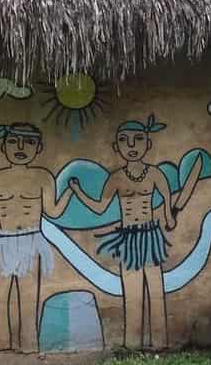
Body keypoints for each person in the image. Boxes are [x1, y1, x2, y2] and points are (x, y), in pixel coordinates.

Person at [67, 114, 199, 349]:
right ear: (116, 146)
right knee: (133, 293)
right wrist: (78, 191)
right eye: (125, 140)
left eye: (138, 139)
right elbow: (100, 208)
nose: (131, 146)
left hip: (151, 237)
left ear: (148, 145)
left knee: (156, 292)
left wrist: (170, 217)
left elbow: (168, 211)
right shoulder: (116, 178)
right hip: (128, 240)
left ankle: (160, 343)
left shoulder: (156, 174)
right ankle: (132, 344)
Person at [0, 123, 70, 352]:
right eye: (13, 141)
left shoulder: (43, 177)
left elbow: (53, 211)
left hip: (31, 241)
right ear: (3, 147)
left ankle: (29, 347)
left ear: (39, 148)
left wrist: (70, 192)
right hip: (3, 243)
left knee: (28, 299)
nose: (21, 147)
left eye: (29, 142)